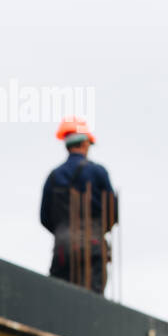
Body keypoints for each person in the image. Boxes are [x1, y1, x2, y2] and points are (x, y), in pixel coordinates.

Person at [40, 117, 118, 294]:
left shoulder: (53, 177)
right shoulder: (98, 172)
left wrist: (64, 231)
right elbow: (112, 211)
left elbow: (44, 217)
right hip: (93, 244)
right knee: (92, 303)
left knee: (59, 298)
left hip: (63, 247)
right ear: (84, 143)